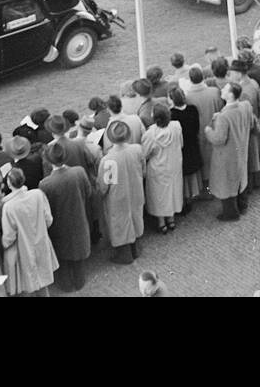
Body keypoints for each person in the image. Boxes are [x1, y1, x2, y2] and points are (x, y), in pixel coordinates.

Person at [39, 142, 93, 292]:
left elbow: (47, 209)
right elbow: (88, 192)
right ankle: (79, 280)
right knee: (79, 253)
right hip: (79, 217)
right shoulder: (79, 172)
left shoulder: (45, 184)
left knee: (63, 255)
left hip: (60, 224)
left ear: (49, 161)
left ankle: (66, 285)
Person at [96, 120, 144, 265]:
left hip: (118, 196)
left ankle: (124, 254)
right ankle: (135, 248)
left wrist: (101, 193)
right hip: (135, 189)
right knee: (135, 215)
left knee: (120, 223)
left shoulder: (108, 160)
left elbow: (104, 186)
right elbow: (143, 169)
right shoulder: (137, 149)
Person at [204, 81, 253, 221]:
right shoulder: (245, 106)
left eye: (225, 89)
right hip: (241, 148)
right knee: (240, 177)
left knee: (227, 182)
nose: (222, 90)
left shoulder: (223, 117)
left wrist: (208, 131)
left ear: (230, 94)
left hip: (227, 154)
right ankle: (242, 205)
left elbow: (219, 139)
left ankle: (231, 213)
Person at [141, 105, 184, 234]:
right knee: (172, 190)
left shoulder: (150, 134)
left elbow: (145, 153)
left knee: (159, 194)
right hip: (174, 164)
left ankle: (161, 222)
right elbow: (181, 144)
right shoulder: (176, 126)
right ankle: (171, 219)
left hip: (158, 167)